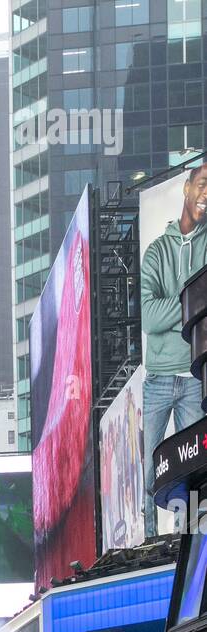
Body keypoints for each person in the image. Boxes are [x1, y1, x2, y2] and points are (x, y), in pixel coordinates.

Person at [141, 161, 207, 536]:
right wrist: (189, 305)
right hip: (159, 379)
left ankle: (189, 541)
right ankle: (148, 541)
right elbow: (149, 318)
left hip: (195, 375)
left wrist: (178, 306)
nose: (205, 195)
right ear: (186, 187)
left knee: (195, 469)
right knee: (148, 471)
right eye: (201, 184)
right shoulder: (156, 253)